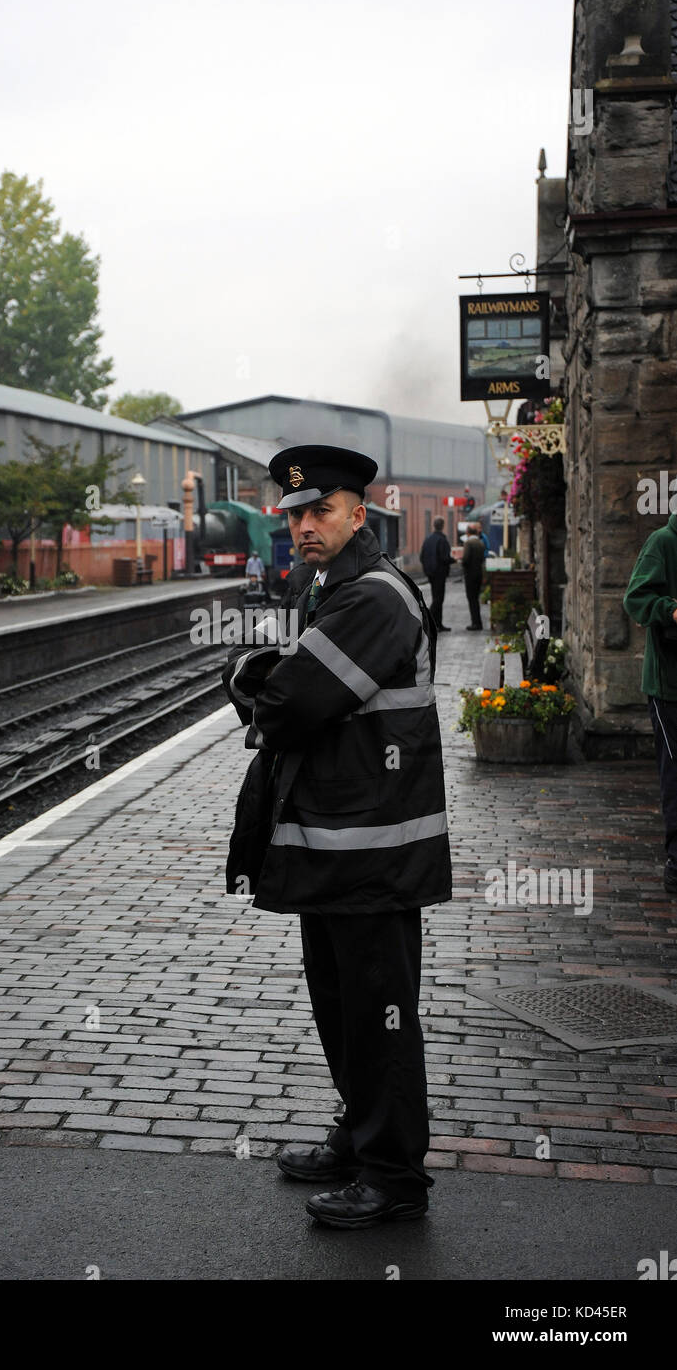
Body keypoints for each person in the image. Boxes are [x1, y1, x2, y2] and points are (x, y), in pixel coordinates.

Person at [222, 443, 452, 1230]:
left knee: (378, 1013)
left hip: (374, 849)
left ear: (361, 511)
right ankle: (360, 1138)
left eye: (321, 510)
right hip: (336, 842)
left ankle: (393, 1179)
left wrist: (254, 678)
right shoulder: (335, 587)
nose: (304, 526)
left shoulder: (372, 598)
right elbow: (288, 690)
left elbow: (285, 704)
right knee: (342, 1007)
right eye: (294, 514)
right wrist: (269, 678)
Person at [624, 514, 677, 892]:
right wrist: (671, 610)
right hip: (669, 686)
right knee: (676, 774)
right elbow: (636, 597)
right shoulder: (663, 542)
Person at [419, 516, 454, 632]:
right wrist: (454, 559)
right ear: (443, 526)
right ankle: (428, 621)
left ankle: (438, 624)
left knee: (436, 597)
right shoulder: (442, 540)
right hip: (440, 573)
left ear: (434, 525)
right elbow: (444, 558)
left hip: (431, 573)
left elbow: (422, 557)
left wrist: (427, 569)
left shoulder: (427, 539)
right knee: (439, 599)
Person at [461, 522, 486, 630]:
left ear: (467, 533)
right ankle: (478, 621)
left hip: (470, 574)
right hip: (479, 573)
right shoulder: (480, 543)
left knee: (472, 599)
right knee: (476, 598)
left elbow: (466, 559)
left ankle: (475, 623)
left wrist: (461, 562)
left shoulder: (468, 543)